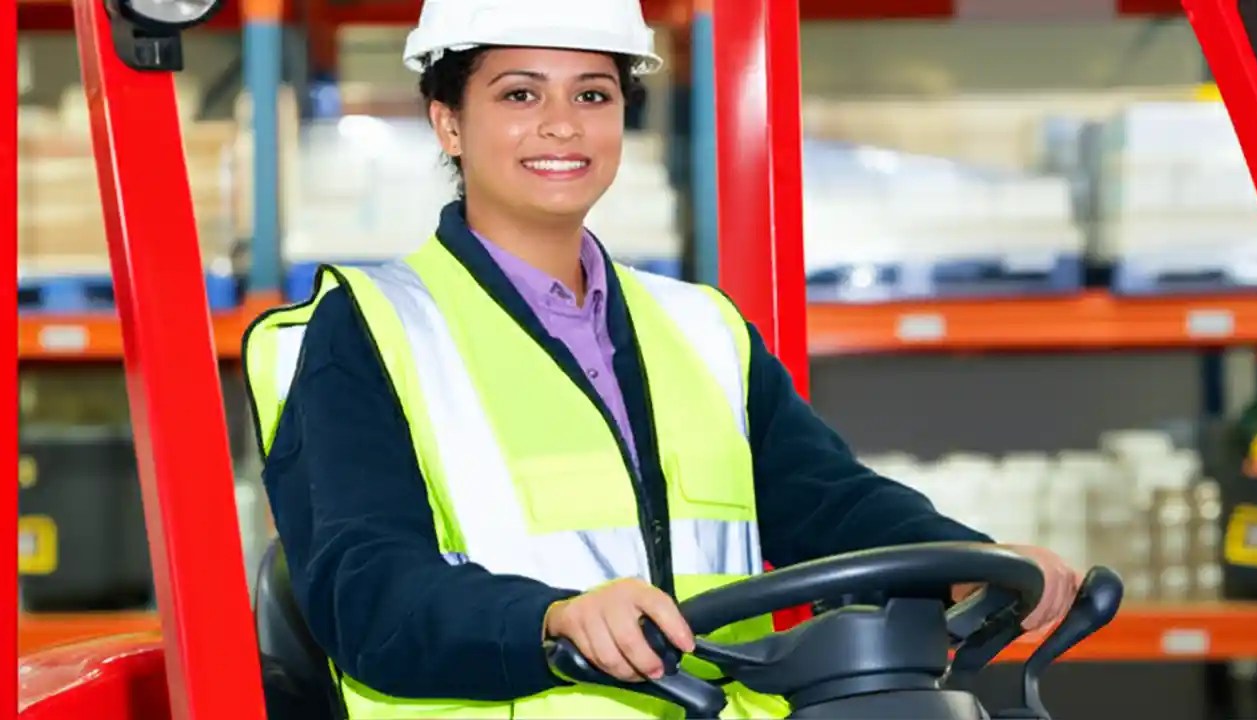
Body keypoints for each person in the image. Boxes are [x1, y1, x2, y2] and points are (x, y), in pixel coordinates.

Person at [242, 0, 1084, 717]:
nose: (563, 124)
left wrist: (975, 557)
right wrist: (551, 619)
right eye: (519, 93)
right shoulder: (368, 330)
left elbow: (824, 501)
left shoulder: (698, 326)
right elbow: (367, 592)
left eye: (594, 93)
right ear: (449, 121)